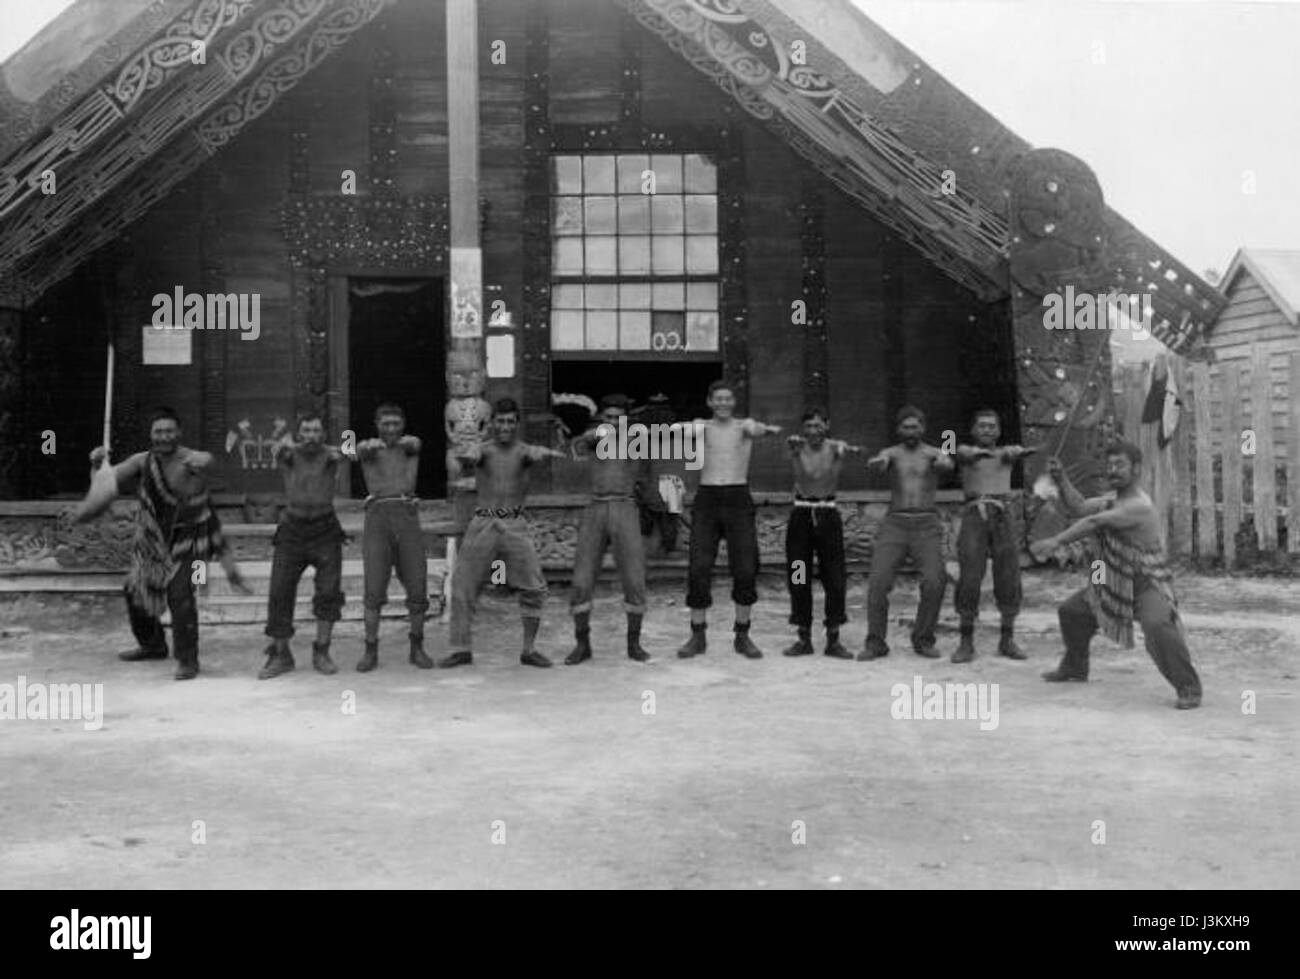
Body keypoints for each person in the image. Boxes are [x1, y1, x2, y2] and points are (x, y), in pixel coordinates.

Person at [71, 407, 247, 680]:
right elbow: (106, 484)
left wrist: (207, 461)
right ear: (151, 435)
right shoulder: (142, 461)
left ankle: (188, 660)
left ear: (179, 432)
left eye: (169, 431)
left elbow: (210, 462)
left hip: (192, 541)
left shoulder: (191, 459)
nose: (163, 436)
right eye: (158, 431)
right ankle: (152, 645)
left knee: (180, 595)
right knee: (134, 589)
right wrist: (98, 465)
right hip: (154, 540)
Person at [1029, 442, 1202, 709]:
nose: (1112, 470)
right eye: (1109, 465)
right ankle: (1075, 666)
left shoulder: (1138, 506)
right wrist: (1061, 479)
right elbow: (1079, 507)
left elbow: (1093, 522)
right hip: (1111, 580)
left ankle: (1189, 687)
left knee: (1157, 626)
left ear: (1136, 469)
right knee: (1072, 612)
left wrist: (1056, 541)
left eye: (1119, 465)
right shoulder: (1111, 500)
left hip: (1146, 583)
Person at [438, 398, 566, 669]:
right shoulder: (482, 450)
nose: (505, 426)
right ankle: (461, 649)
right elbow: (465, 461)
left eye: (510, 421)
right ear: (492, 423)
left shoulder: (523, 451)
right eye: (500, 421)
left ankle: (529, 650)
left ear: (517, 424)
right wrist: (465, 458)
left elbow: (534, 453)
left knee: (534, 587)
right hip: (483, 523)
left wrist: (545, 453)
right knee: (462, 586)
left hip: (514, 524)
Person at [676, 379, 781, 660]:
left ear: (733, 402)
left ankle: (743, 634)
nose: (723, 403)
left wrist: (761, 428)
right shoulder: (702, 427)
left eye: (727, 399)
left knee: (746, 569)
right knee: (698, 567)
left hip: (737, 497)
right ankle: (697, 634)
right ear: (710, 402)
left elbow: (760, 430)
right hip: (707, 498)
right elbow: (675, 431)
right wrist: (691, 427)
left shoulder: (743, 426)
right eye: (717, 399)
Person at [565, 394, 658, 664]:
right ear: (601, 419)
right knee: (581, 581)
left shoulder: (635, 439)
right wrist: (595, 433)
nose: (613, 422)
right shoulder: (593, 438)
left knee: (634, 579)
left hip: (625, 506)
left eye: (619, 418)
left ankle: (634, 644)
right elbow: (576, 448)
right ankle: (582, 645)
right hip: (595, 507)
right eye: (608, 417)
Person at [258, 413, 347, 679]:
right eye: (306, 431)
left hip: (325, 528)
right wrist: (282, 446)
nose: (311, 436)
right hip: (292, 529)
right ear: (298, 434)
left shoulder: (331, 456)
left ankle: (322, 649)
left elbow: (350, 451)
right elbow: (276, 450)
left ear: (323, 434)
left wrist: (343, 447)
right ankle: (281, 653)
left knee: (329, 591)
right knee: (280, 591)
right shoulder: (288, 454)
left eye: (316, 431)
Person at [861, 405, 953, 660]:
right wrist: (879, 464)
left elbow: (947, 462)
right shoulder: (890, 453)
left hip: (926, 523)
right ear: (898, 429)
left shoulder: (935, 452)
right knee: (878, 582)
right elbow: (882, 463)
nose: (911, 431)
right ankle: (876, 642)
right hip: (896, 523)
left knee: (935, 581)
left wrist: (946, 461)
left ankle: (923, 639)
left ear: (923, 428)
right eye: (906, 426)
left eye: (915, 426)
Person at [951, 409, 1035, 663]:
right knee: (969, 576)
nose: (987, 430)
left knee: (1009, 574)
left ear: (998, 431)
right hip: (974, 514)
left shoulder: (1006, 453)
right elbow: (949, 447)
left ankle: (1007, 639)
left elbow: (1022, 451)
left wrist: (1019, 451)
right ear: (973, 430)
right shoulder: (964, 452)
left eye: (991, 426)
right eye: (982, 426)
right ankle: (966, 641)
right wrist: (964, 451)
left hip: (1002, 514)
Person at [355, 403, 431, 672]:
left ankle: (417, 647)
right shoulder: (367, 449)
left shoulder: (410, 445)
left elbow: (416, 442)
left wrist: (401, 440)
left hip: (406, 514)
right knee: (374, 588)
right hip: (377, 517)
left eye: (395, 424)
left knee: (417, 585)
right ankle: (370, 650)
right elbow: (348, 449)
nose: (391, 429)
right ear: (376, 425)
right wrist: (363, 445)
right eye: (385, 424)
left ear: (403, 424)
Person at [782, 408, 862, 659]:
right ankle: (803, 636)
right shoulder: (795, 446)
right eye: (809, 426)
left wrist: (848, 449)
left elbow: (850, 450)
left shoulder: (837, 447)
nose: (813, 431)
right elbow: (793, 451)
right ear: (803, 429)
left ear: (827, 426)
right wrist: (792, 444)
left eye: (818, 426)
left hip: (828, 516)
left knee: (835, 577)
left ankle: (833, 638)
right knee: (798, 575)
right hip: (801, 516)